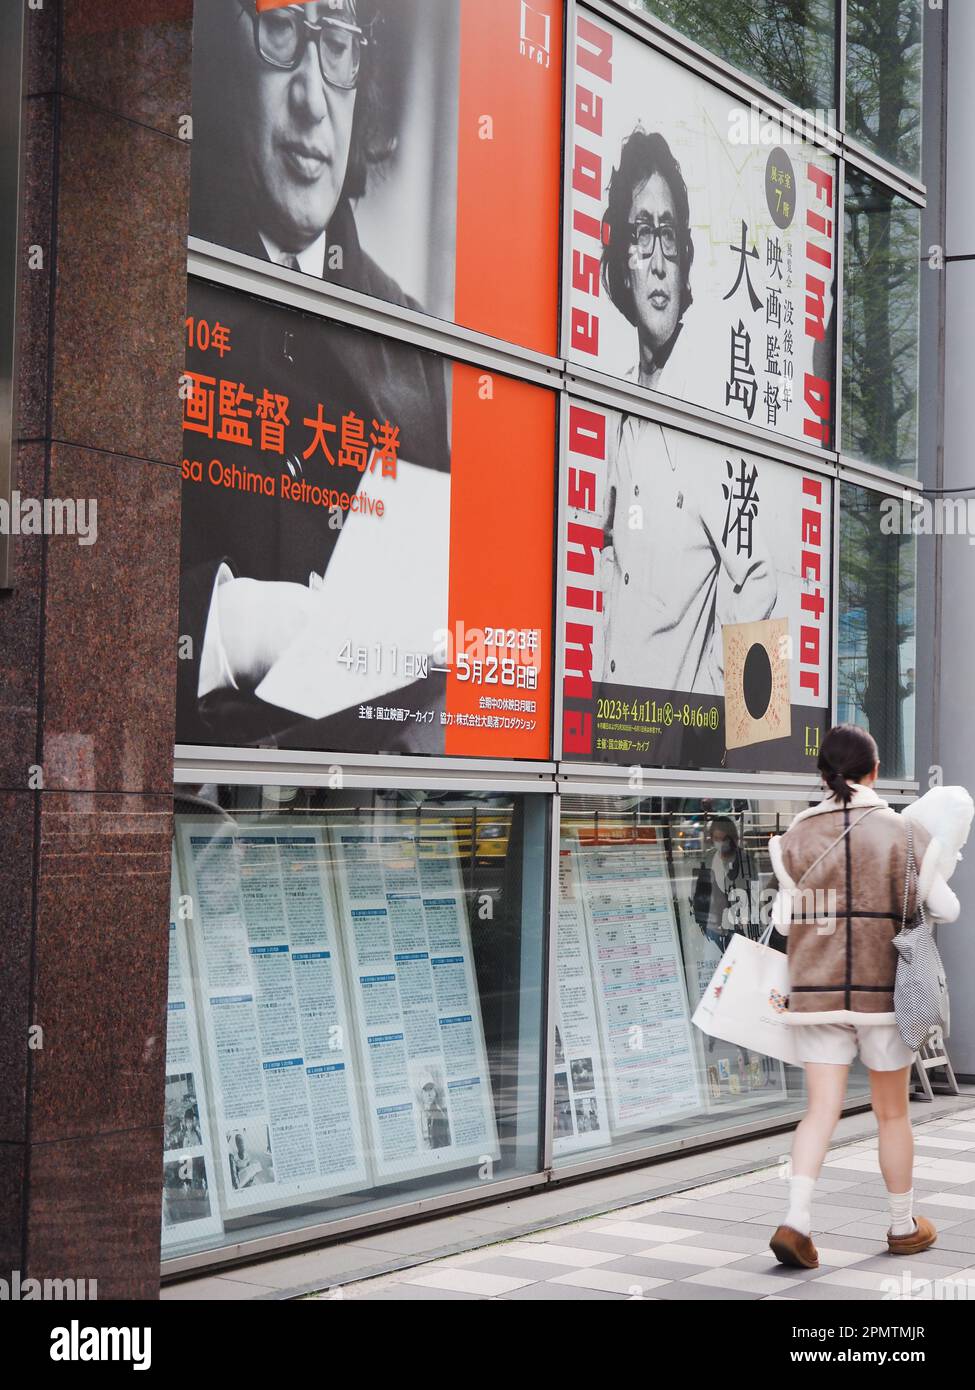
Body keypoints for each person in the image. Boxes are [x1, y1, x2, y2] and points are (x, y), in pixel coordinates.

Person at [765, 723, 962, 1269]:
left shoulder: (794, 837)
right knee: (891, 1113)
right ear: (874, 771)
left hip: (816, 993)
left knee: (819, 1111)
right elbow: (946, 910)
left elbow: (784, 918)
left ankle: (796, 1221)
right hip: (884, 995)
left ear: (823, 773)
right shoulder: (903, 832)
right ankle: (903, 1225)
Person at [595, 129, 776, 697]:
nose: (656, 260)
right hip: (600, 744)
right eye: (641, 234)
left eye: (668, 236)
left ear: (686, 259)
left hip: (673, 760)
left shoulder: (705, 417)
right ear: (621, 260)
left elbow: (755, 580)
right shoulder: (610, 407)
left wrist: (723, 739)